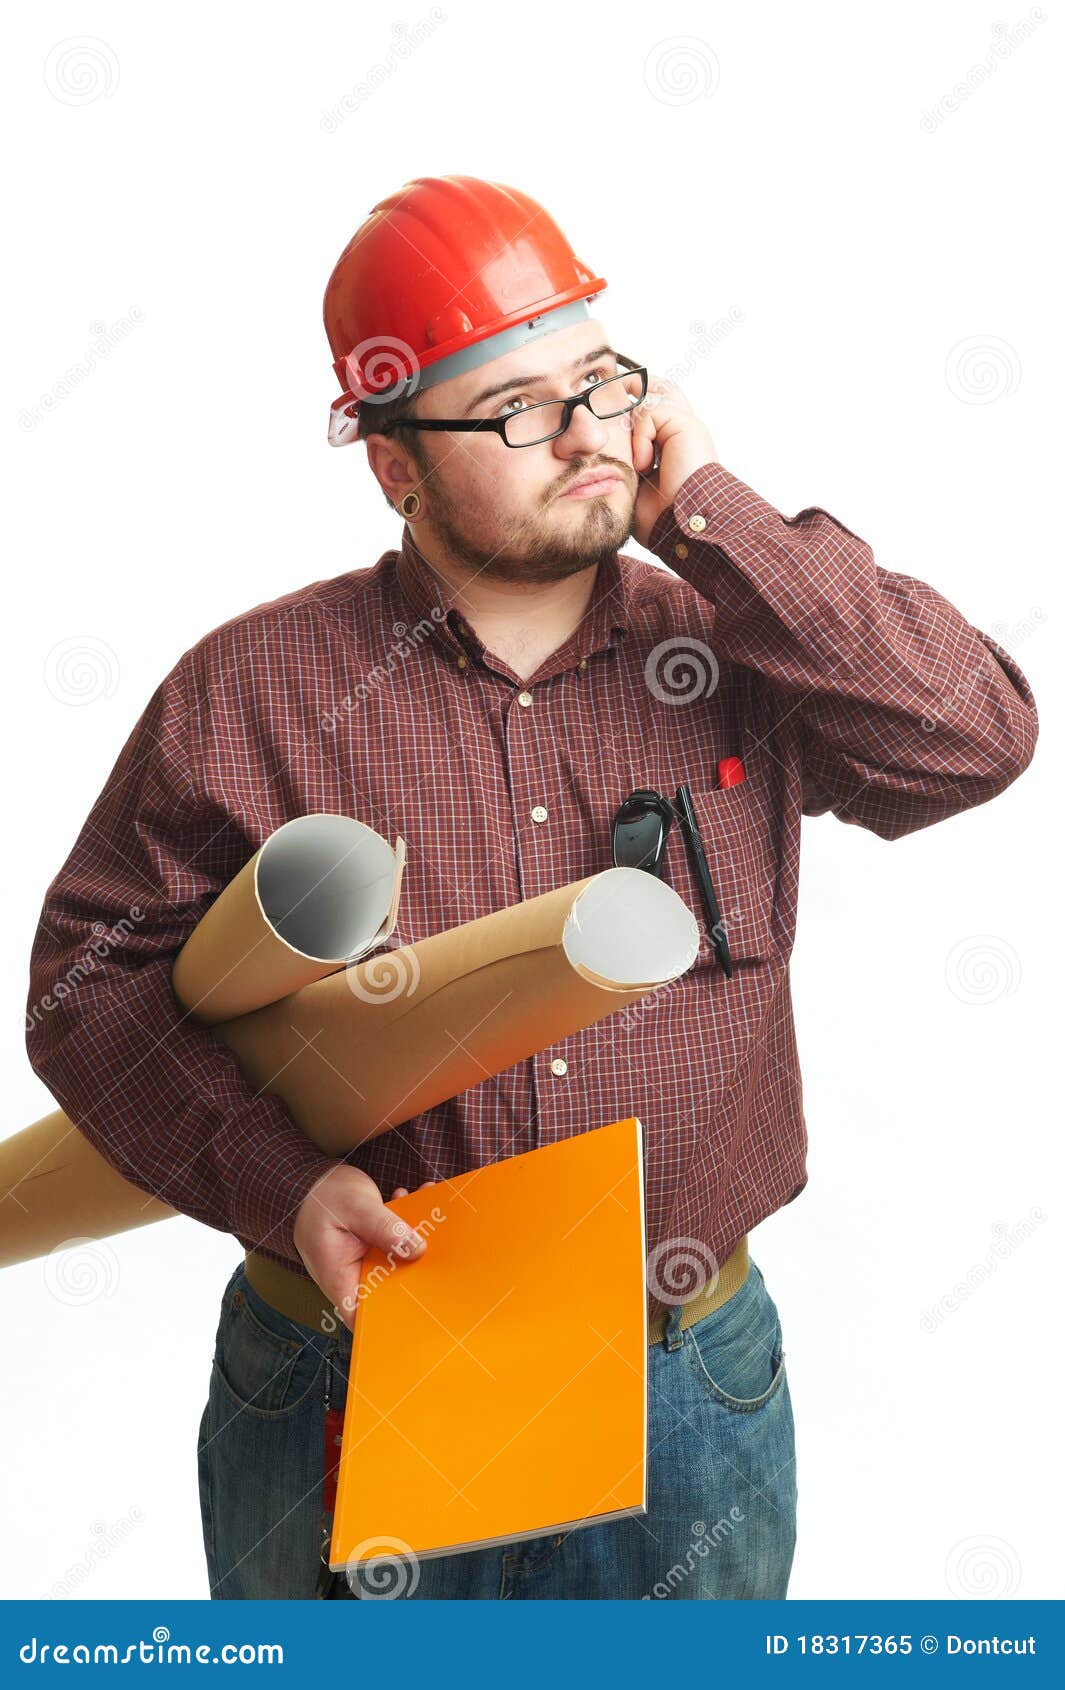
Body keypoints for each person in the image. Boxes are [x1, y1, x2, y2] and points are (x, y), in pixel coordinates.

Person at [26, 176, 1038, 1600]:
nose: (582, 434)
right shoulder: (251, 691)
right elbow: (89, 1000)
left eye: (602, 380)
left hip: (678, 1371)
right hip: (349, 1359)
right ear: (393, 465)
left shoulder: (739, 646)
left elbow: (974, 742)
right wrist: (280, 1181)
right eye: (512, 407)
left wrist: (714, 516)